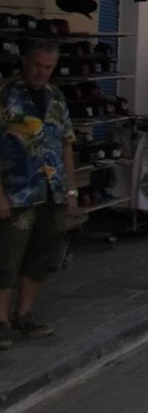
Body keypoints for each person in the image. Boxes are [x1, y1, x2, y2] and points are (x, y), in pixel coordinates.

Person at [0, 38, 78, 346]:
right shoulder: (6, 95)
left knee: (42, 255)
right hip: (16, 191)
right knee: (7, 256)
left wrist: (71, 192)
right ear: (24, 62)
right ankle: (1, 321)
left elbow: (66, 143)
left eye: (48, 67)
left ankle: (24, 315)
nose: (42, 72)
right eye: (37, 65)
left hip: (52, 190)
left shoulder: (56, 97)